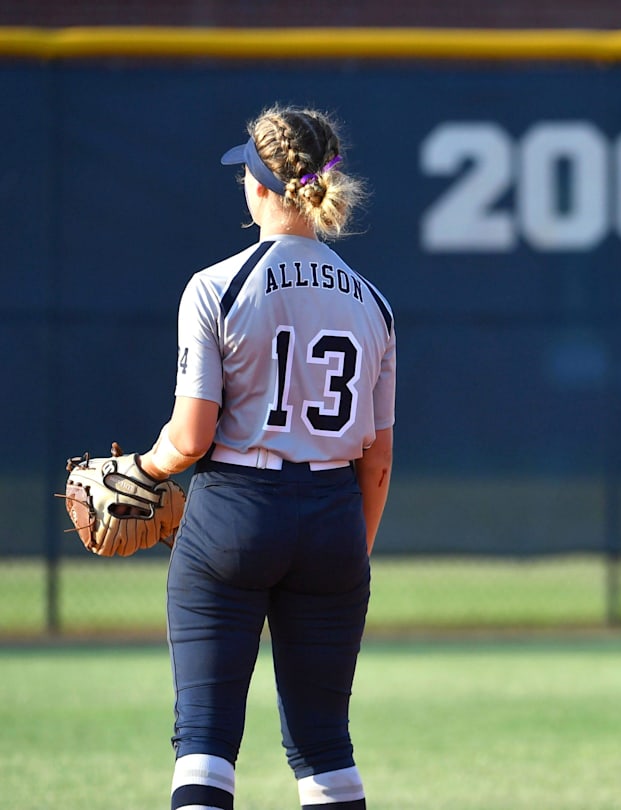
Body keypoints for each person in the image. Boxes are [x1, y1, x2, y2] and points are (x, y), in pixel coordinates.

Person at [133, 105, 396, 810]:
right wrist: (347, 554)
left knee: (205, 743)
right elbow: (376, 459)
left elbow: (190, 439)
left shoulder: (216, 286)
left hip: (234, 514)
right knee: (325, 752)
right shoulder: (373, 303)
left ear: (257, 186)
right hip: (334, 516)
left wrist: (142, 471)